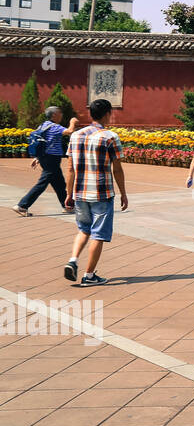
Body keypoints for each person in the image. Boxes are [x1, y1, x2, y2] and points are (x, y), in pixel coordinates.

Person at [63, 98, 127, 287]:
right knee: (98, 234)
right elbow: (117, 169)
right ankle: (89, 275)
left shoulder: (76, 136)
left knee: (83, 229)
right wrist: (123, 192)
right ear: (108, 114)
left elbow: (70, 169)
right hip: (102, 192)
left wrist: (69, 193)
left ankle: (73, 260)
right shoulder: (110, 136)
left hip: (80, 192)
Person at [13, 105, 77, 217]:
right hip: (51, 158)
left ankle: (67, 206)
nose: (61, 115)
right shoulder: (55, 127)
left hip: (46, 157)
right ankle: (22, 205)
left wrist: (38, 158)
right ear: (54, 115)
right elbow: (70, 131)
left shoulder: (43, 126)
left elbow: (41, 143)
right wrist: (73, 121)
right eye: (59, 113)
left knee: (59, 183)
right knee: (42, 183)